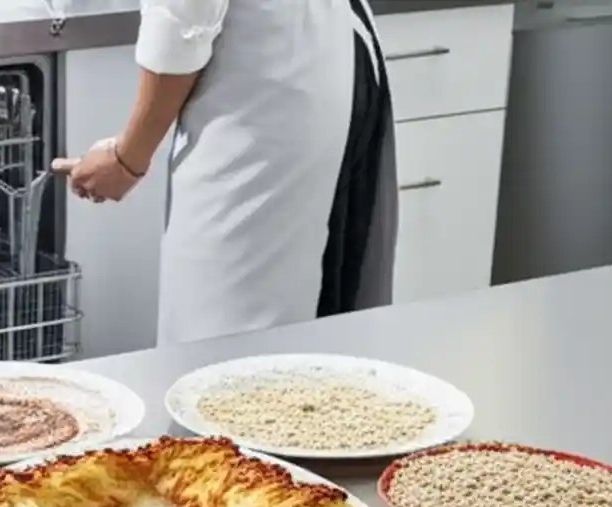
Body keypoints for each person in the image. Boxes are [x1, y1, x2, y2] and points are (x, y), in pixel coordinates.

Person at [54, 0, 397, 346]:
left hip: (271, 89)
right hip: (312, 52)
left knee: (232, 334)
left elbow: (181, 23)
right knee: (294, 319)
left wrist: (126, 159)